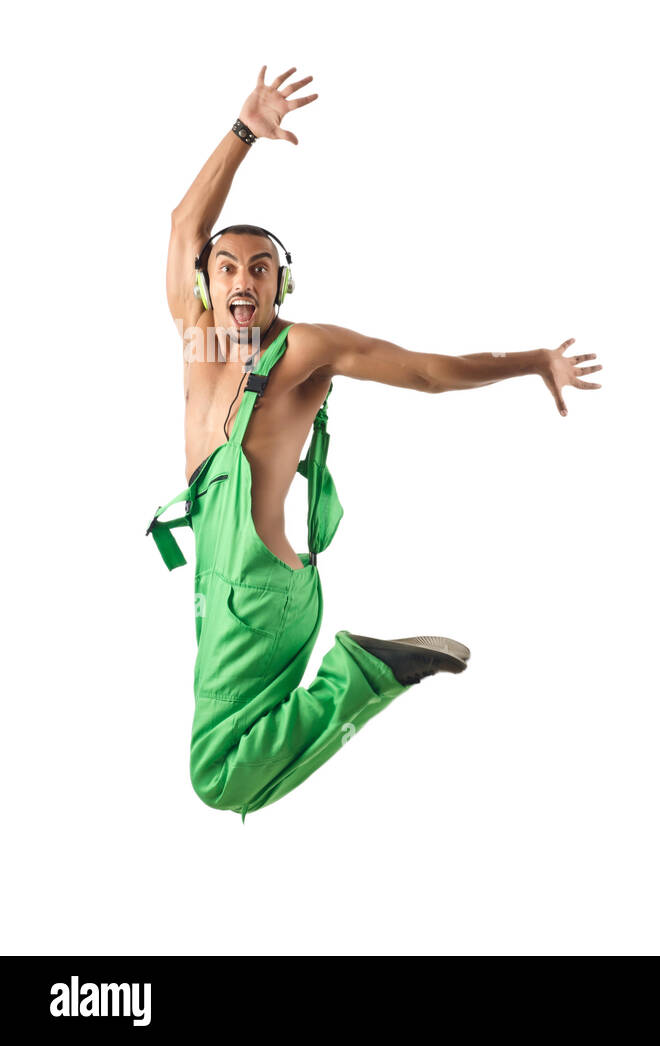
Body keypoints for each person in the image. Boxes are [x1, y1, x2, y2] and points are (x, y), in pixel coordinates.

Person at [148, 65, 602, 819]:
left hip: (256, 586)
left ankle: (366, 673)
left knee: (218, 777)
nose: (242, 279)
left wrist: (533, 362)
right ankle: (363, 676)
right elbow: (181, 228)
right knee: (234, 762)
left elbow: (427, 372)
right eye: (227, 267)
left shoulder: (299, 352)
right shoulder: (198, 342)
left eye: (261, 269)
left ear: (278, 288)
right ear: (205, 282)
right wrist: (241, 133)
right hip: (220, 581)